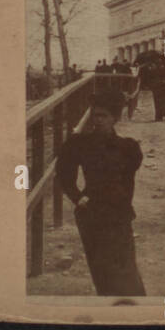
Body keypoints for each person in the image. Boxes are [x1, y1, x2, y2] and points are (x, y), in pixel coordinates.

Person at [55, 89, 146, 296]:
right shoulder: (80, 143)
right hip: (92, 214)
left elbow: (128, 180)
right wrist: (77, 197)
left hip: (119, 213)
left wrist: (121, 203)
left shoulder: (128, 147)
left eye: (103, 115)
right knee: (102, 270)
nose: (98, 120)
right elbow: (64, 172)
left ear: (115, 118)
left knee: (125, 266)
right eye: (95, 115)